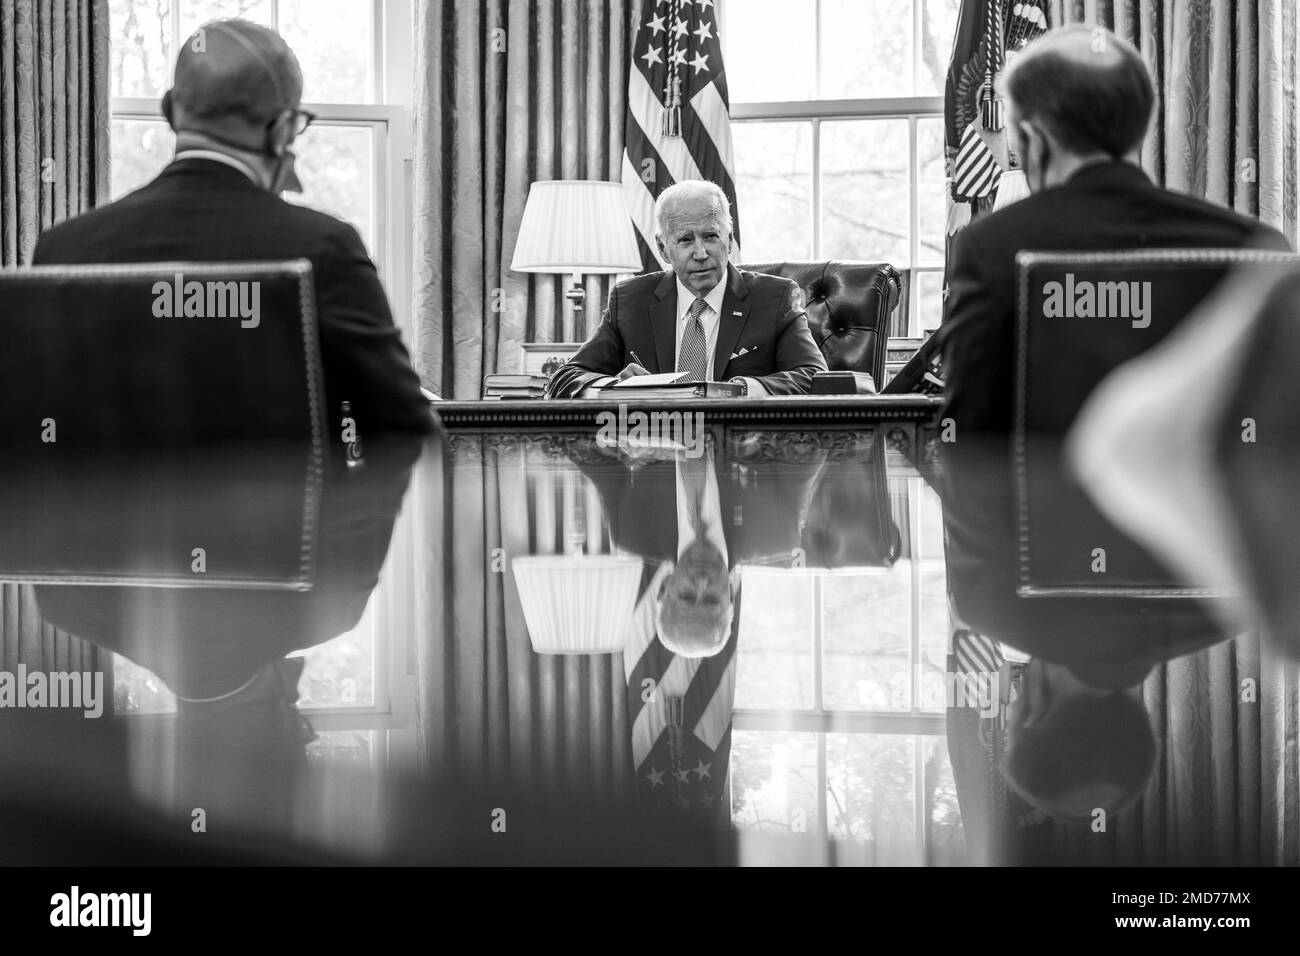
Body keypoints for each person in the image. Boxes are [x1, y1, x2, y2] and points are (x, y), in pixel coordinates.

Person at [30, 19, 433, 436]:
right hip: (286, 504)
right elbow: (405, 430)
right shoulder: (324, 248)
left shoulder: (63, 250)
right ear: (282, 131)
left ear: (170, 111)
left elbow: (36, 429)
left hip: (100, 505)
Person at [941, 25, 1291, 435]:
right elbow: (1276, 439)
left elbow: (968, 442)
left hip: (1045, 500)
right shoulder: (1258, 248)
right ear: (1137, 127)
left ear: (1035, 142)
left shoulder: (990, 248)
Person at [545, 180, 827, 399]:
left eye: (711, 236)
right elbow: (565, 378)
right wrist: (616, 386)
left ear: (729, 241)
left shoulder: (775, 299)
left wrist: (743, 389)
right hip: (655, 451)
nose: (701, 252)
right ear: (663, 248)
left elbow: (815, 377)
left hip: (742, 455)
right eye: (685, 240)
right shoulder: (630, 301)